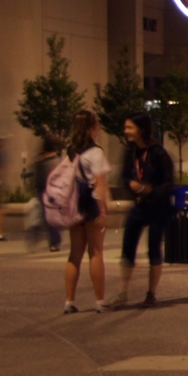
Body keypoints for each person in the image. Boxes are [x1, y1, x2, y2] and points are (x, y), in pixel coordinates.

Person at [111, 112, 174, 309]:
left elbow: (169, 182)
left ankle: (151, 293)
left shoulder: (158, 153)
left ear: (141, 129)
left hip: (158, 207)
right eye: (126, 127)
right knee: (128, 247)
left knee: (154, 249)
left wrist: (151, 189)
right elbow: (123, 175)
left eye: (130, 127)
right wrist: (129, 184)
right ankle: (122, 292)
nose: (126, 131)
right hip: (138, 205)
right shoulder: (130, 151)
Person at [63, 110, 112, 313]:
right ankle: (100, 301)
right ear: (92, 128)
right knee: (96, 253)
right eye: (97, 124)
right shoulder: (95, 153)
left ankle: (69, 302)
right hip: (91, 205)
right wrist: (103, 211)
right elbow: (99, 185)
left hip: (73, 205)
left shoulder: (69, 152)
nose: (99, 128)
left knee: (75, 254)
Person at [31, 138, 63, 252]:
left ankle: (54, 241)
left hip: (48, 191)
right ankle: (42, 237)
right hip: (44, 191)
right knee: (43, 216)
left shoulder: (49, 160)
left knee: (48, 217)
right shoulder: (51, 159)